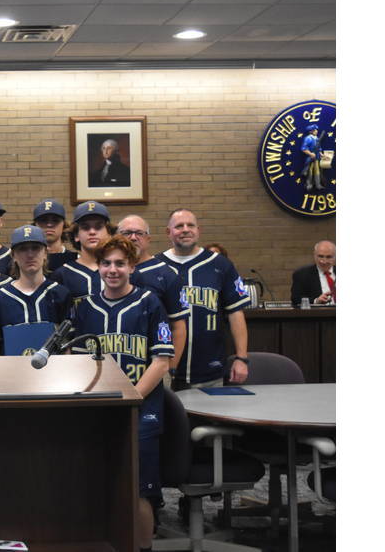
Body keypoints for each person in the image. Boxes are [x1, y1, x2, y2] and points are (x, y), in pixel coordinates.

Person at [72, 235, 172, 552]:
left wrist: (132, 399)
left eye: (119, 263)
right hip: (98, 407)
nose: (112, 270)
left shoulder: (150, 302)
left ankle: (144, 546)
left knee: (141, 487)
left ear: (131, 266)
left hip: (141, 407)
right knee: (98, 482)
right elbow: (76, 362)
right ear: (98, 267)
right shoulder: (84, 308)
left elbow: (161, 362)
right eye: (106, 263)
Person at [160, 209, 251, 389]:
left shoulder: (221, 264)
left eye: (190, 225)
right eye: (179, 226)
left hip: (210, 369)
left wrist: (242, 358)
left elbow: (235, 313)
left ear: (198, 230)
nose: (185, 230)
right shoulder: (156, 266)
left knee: (208, 417)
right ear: (168, 232)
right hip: (163, 369)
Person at [0, 226, 73, 355]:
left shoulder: (60, 294)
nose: (30, 255)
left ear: (45, 253)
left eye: (35, 248)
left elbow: (67, 346)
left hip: (53, 372)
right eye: (23, 249)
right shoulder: (0, 298)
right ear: (13, 255)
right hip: (12, 372)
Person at [117, 215, 190, 370]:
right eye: (127, 233)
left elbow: (179, 326)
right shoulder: (108, 272)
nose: (133, 238)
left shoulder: (167, 274)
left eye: (139, 233)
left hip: (155, 362)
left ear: (148, 238)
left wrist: (170, 368)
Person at [49, 201, 115, 311]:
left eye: (98, 227)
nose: (92, 232)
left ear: (109, 233)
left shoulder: (123, 271)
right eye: (85, 227)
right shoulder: (62, 275)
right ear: (76, 236)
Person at [33, 198, 77, 273]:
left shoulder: (75, 259)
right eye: (43, 220)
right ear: (35, 225)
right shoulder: (27, 260)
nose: (49, 224)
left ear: (64, 224)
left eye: (55, 220)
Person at [291, 240, 336, 306]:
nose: (324, 261)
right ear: (314, 255)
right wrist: (316, 301)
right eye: (320, 256)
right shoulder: (301, 274)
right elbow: (296, 299)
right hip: (318, 314)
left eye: (328, 257)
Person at [300, 124, 325, 191]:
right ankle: (309, 185)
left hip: (316, 158)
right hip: (310, 158)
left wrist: (321, 154)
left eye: (316, 130)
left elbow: (319, 148)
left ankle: (318, 185)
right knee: (309, 172)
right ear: (311, 131)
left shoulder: (317, 139)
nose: (316, 131)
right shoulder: (308, 138)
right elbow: (303, 148)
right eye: (315, 130)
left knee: (317, 172)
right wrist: (310, 154)